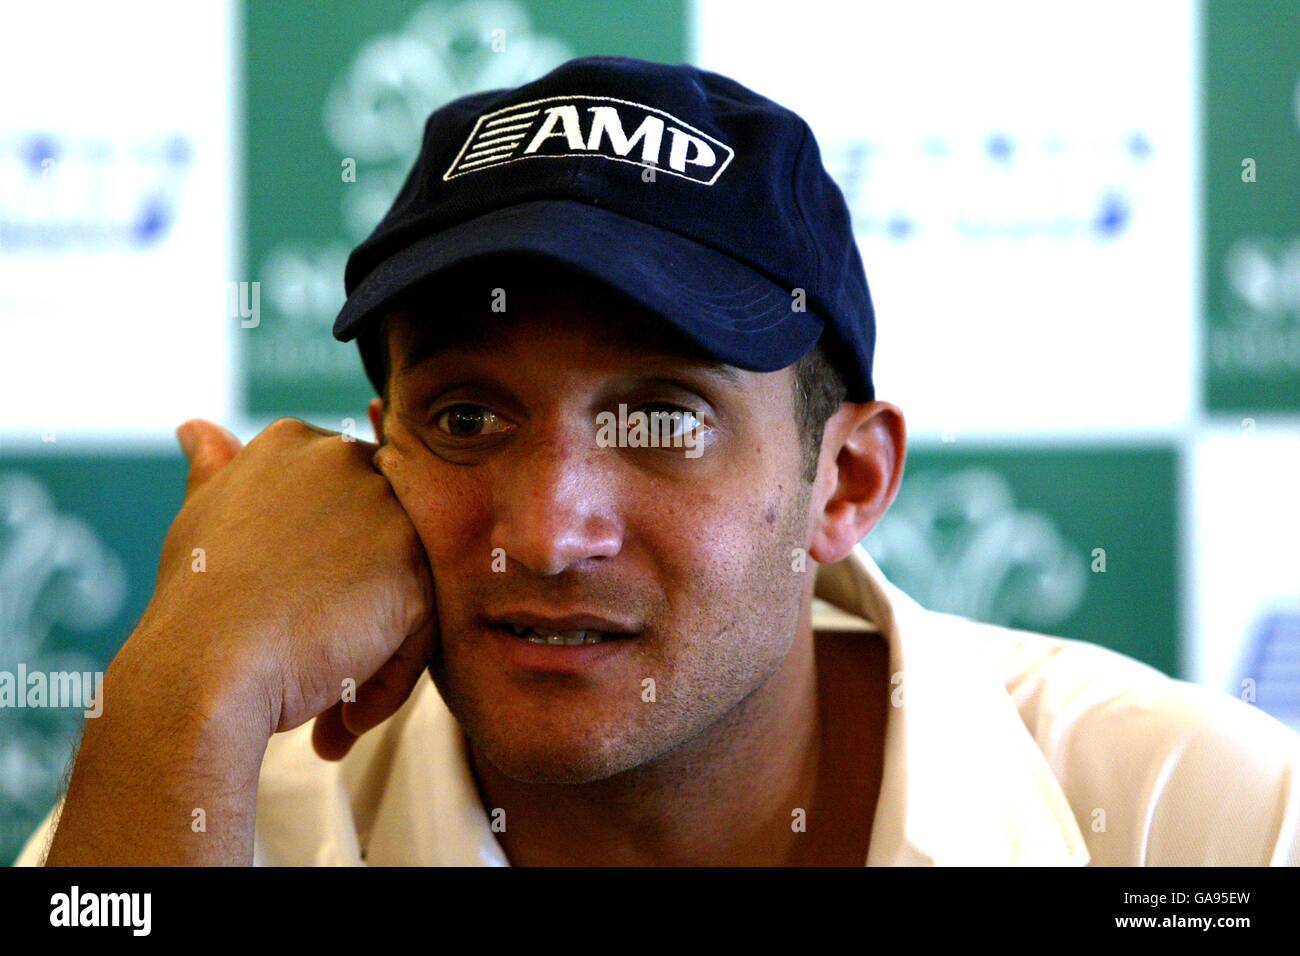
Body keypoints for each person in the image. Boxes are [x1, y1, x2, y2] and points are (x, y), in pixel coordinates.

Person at [17, 55, 1300, 867]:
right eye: (468, 417)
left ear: (842, 484)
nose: (549, 527)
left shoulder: (1192, 822)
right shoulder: (214, 807)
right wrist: (185, 680)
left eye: (660, 416)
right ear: (377, 450)